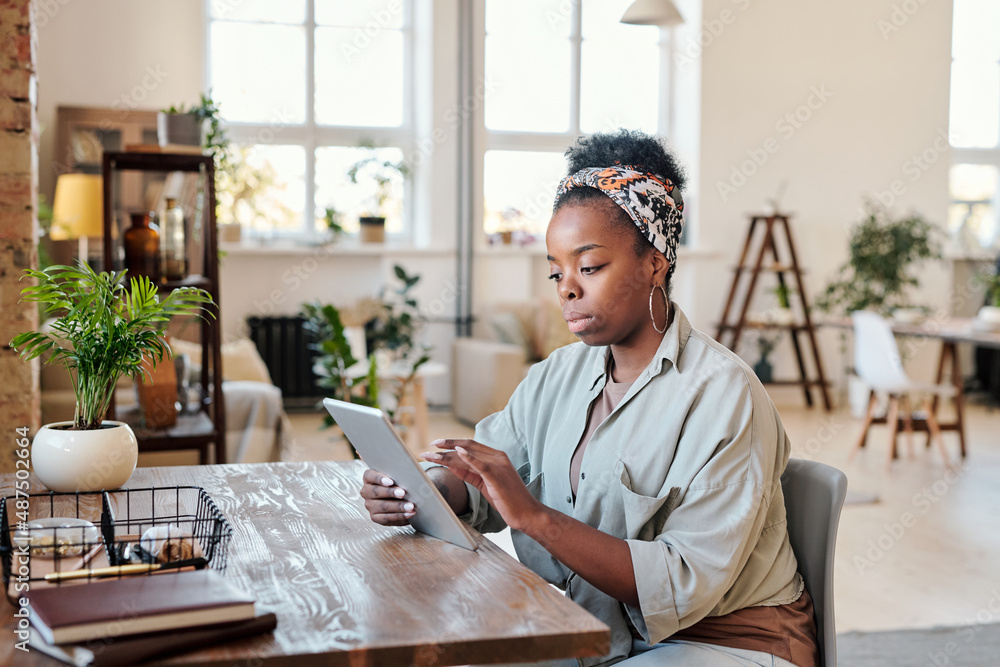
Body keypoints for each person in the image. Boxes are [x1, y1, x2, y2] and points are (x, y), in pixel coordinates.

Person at [361, 129, 819, 667]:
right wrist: (423, 490)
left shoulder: (724, 394)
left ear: (655, 263)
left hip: (723, 642)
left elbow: (683, 581)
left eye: (590, 266)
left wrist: (534, 517)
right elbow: (482, 477)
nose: (567, 288)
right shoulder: (558, 374)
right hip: (598, 632)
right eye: (557, 271)